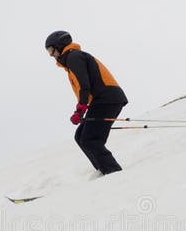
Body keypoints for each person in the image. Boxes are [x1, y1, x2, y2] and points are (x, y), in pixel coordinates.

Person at [45, 31, 128, 175]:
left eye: (51, 50)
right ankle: (102, 170)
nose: (51, 55)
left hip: (106, 98)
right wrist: (82, 108)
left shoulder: (74, 57)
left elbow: (84, 85)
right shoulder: (73, 59)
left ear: (60, 45)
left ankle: (113, 173)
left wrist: (80, 109)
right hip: (104, 99)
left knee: (90, 139)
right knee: (80, 136)